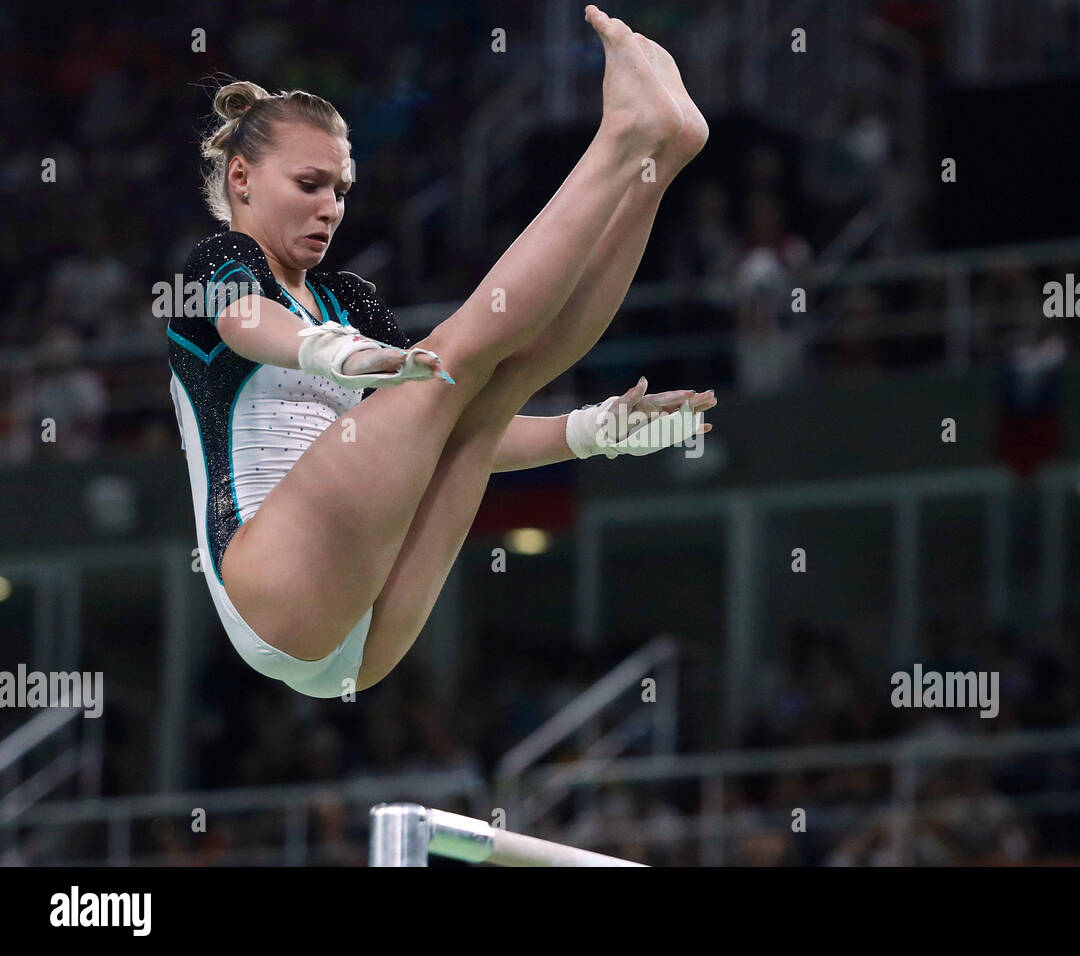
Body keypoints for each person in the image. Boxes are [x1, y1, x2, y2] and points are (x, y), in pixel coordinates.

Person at [168, 6, 717, 699]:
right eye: (308, 185)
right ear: (241, 180)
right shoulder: (220, 262)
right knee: (457, 355)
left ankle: (655, 160)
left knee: (493, 390)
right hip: (274, 589)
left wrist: (591, 431)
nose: (330, 209)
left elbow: (446, 419)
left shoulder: (350, 299)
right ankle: (619, 140)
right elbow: (248, 324)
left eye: (340, 190)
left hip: (359, 637)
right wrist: (333, 353)